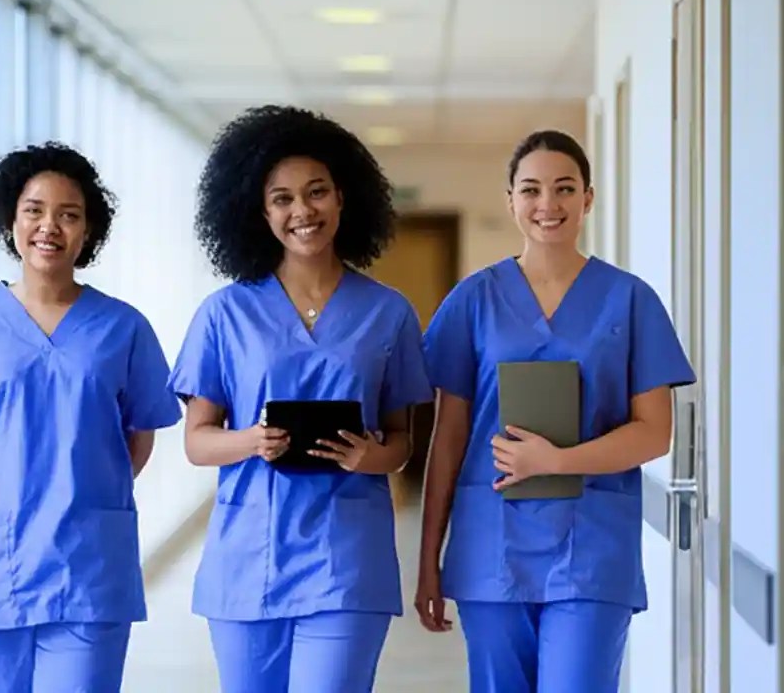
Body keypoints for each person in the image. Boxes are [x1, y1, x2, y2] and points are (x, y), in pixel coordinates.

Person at [415, 130, 696, 692]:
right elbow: (448, 439)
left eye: (565, 189)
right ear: (511, 200)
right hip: (490, 542)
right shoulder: (474, 299)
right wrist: (428, 560)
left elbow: (654, 433)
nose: (549, 204)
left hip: (590, 543)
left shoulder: (628, 299)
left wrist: (555, 461)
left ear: (588, 198)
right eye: (532, 189)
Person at [167, 105, 434, 693]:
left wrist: (373, 456)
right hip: (248, 555)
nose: (302, 211)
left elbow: (403, 442)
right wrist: (250, 440)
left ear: (343, 197)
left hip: (347, 556)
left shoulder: (387, 313)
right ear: (259, 212)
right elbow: (197, 441)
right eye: (282, 198)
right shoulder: (224, 314)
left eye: (316, 192)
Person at [0, 142, 182, 692]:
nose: (49, 226)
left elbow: (139, 435)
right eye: (34, 209)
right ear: (11, 218)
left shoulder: (122, 329)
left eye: (69, 214)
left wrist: (80, 493)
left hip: (92, 566)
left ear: (88, 231)